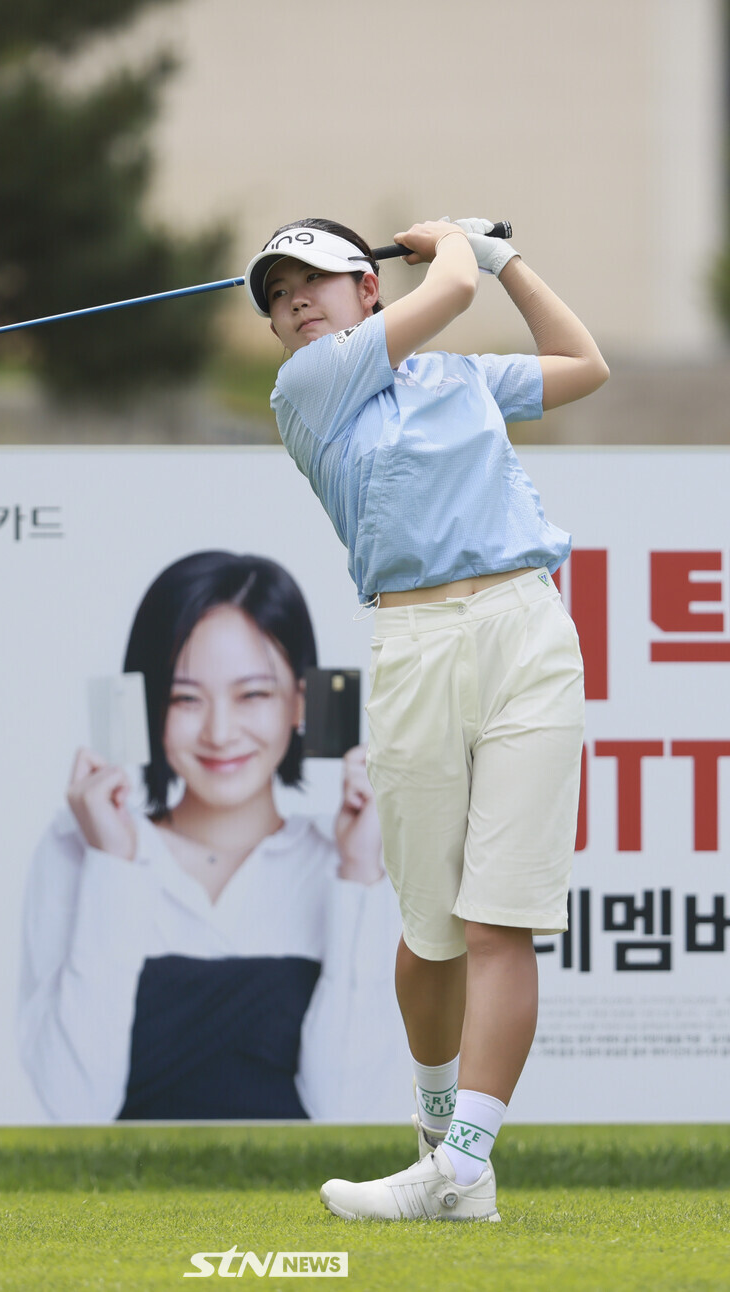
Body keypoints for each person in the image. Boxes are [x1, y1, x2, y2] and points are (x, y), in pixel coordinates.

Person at [244, 216, 608, 1221]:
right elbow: (443, 293)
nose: (293, 306)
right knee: (431, 932)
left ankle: (464, 1165)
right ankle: (437, 1131)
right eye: (277, 298)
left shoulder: (456, 380)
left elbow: (585, 363)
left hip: (525, 626)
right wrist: (456, 244)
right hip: (411, 644)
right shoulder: (307, 390)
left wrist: (506, 260)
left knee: (502, 916)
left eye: (310, 282)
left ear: (366, 286)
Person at [18, 549, 412, 1121]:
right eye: (185, 698)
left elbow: (347, 1111)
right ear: (146, 704)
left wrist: (358, 874)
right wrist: (114, 864)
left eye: (253, 694)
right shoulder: (81, 845)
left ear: (302, 700)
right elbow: (73, 1106)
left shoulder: (358, 861)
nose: (220, 732)